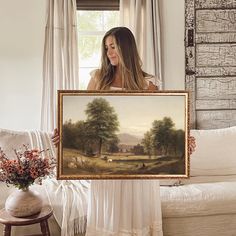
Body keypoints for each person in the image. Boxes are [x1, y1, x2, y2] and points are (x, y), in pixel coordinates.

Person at [52, 27, 196, 236]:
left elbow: (161, 122)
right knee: (108, 220)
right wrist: (63, 138)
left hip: (140, 181)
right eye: (106, 48)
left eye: (113, 47)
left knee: (137, 220)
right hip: (106, 179)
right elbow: (86, 121)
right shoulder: (98, 78)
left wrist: (184, 143)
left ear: (126, 48)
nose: (109, 52)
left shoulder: (149, 84)